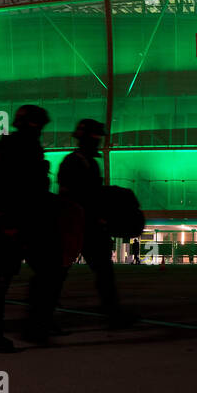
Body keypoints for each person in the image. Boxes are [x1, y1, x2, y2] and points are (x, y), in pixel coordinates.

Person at [0, 105, 64, 352]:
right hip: (15, 223)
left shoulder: (29, 149)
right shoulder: (7, 149)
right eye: (36, 124)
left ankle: (31, 327)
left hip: (31, 223)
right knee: (0, 280)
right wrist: (5, 220)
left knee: (45, 273)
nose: (38, 129)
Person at [58, 119, 134, 329]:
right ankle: (41, 317)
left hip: (86, 224)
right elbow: (75, 196)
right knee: (60, 271)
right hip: (78, 224)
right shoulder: (76, 162)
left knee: (101, 271)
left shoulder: (87, 161)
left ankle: (113, 313)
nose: (99, 141)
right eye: (96, 137)